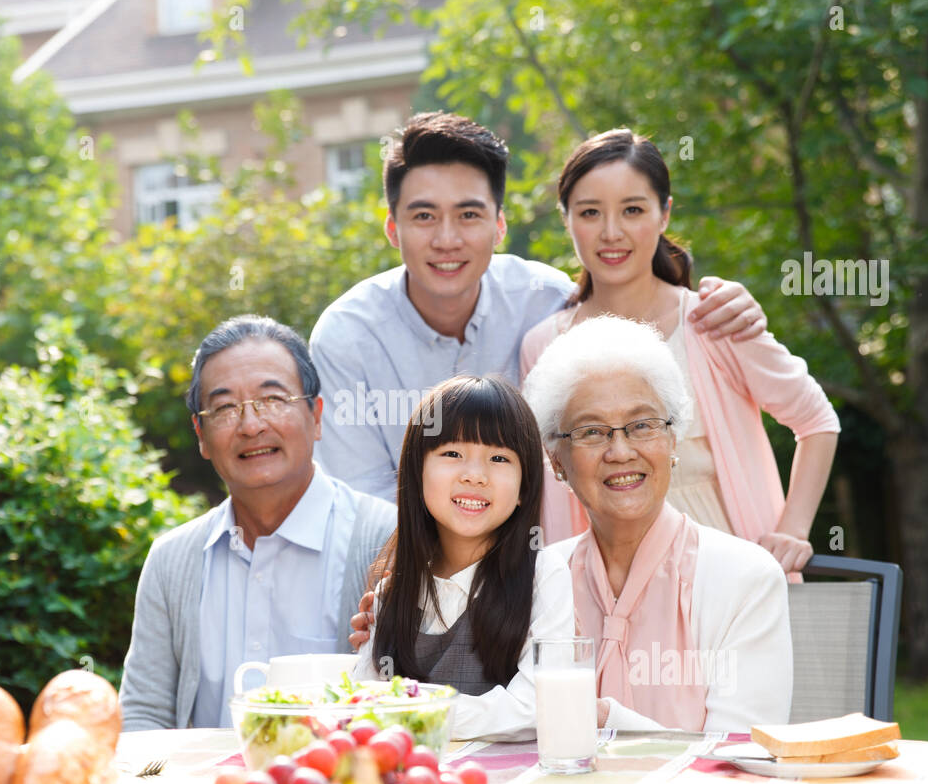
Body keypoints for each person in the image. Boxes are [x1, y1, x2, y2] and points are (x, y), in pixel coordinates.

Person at [311, 111, 770, 503]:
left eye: (469, 215)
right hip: (401, 572)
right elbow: (364, 499)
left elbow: (640, 311)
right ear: (393, 229)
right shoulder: (347, 336)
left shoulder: (547, 302)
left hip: (538, 568)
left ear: (499, 226)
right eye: (424, 216)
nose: (446, 239)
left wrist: (722, 301)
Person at [520, 128, 840, 573]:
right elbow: (552, 485)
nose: (611, 233)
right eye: (590, 212)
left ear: (664, 214)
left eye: (633, 210)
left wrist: (793, 530)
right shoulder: (544, 345)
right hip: (606, 586)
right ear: (566, 219)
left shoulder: (716, 321)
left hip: (730, 573)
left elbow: (817, 419)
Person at [118, 316, 395, 731]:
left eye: (272, 400)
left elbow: (412, 702)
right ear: (201, 434)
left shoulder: (387, 538)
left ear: (316, 416)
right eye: (226, 407)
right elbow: (144, 715)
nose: (251, 426)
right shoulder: (172, 559)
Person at [523, 314, 793, 731]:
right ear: (557, 461)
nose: (620, 451)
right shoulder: (536, 579)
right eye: (592, 432)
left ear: (672, 440)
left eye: (642, 425)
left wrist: (608, 720)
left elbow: (738, 754)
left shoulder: (746, 578)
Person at [352, 376, 574, 741]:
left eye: (499, 458)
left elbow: (539, 707)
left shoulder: (543, 576)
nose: (475, 475)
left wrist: (409, 712)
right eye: (452, 454)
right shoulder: (391, 592)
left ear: (524, 488)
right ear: (417, 470)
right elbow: (362, 707)